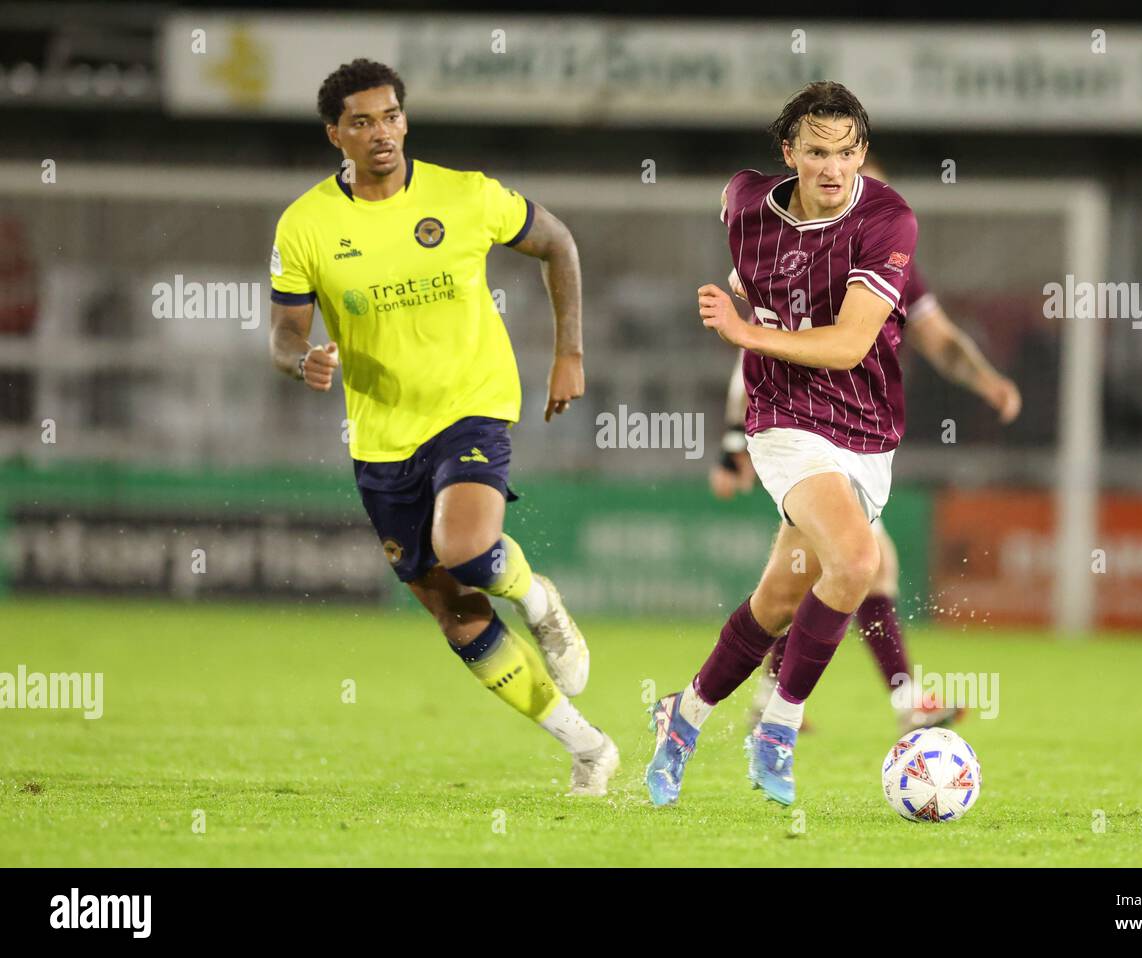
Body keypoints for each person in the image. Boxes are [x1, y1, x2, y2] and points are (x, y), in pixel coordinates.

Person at [267, 58, 618, 796]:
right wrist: (304, 362)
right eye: (361, 122)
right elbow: (283, 333)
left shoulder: (465, 195)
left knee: (463, 547)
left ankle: (538, 601)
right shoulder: (305, 225)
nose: (381, 133)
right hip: (379, 439)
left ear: (404, 118)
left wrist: (570, 352)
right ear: (336, 134)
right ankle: (585, 746)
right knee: (455, 614)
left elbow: (559, 243)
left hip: (472, 405)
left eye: (390, 115)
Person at [646, 80, 915, 807]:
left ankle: (685, 716)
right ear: (788, 152)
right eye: (819, 152)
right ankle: (781, 725)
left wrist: (743, 328)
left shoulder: (888, 218)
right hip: (786, 419)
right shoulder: (742, 201)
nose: (835, 170)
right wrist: (749, 321)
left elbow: (853, 343)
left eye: (849, 153)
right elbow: (757, 269)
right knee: (858, 560)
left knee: (777, 601)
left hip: (867, 430)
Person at [712, 157, 1022, 736]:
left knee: (803, 580)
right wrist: (733, 442)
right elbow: (752, 347)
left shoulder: (891, 264)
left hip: (855, 438)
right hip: (797, 431)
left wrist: (986, 381)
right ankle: (900, 704)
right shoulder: (787, 253)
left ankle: (743, 702)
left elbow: (940, 339)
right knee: (864, 565)